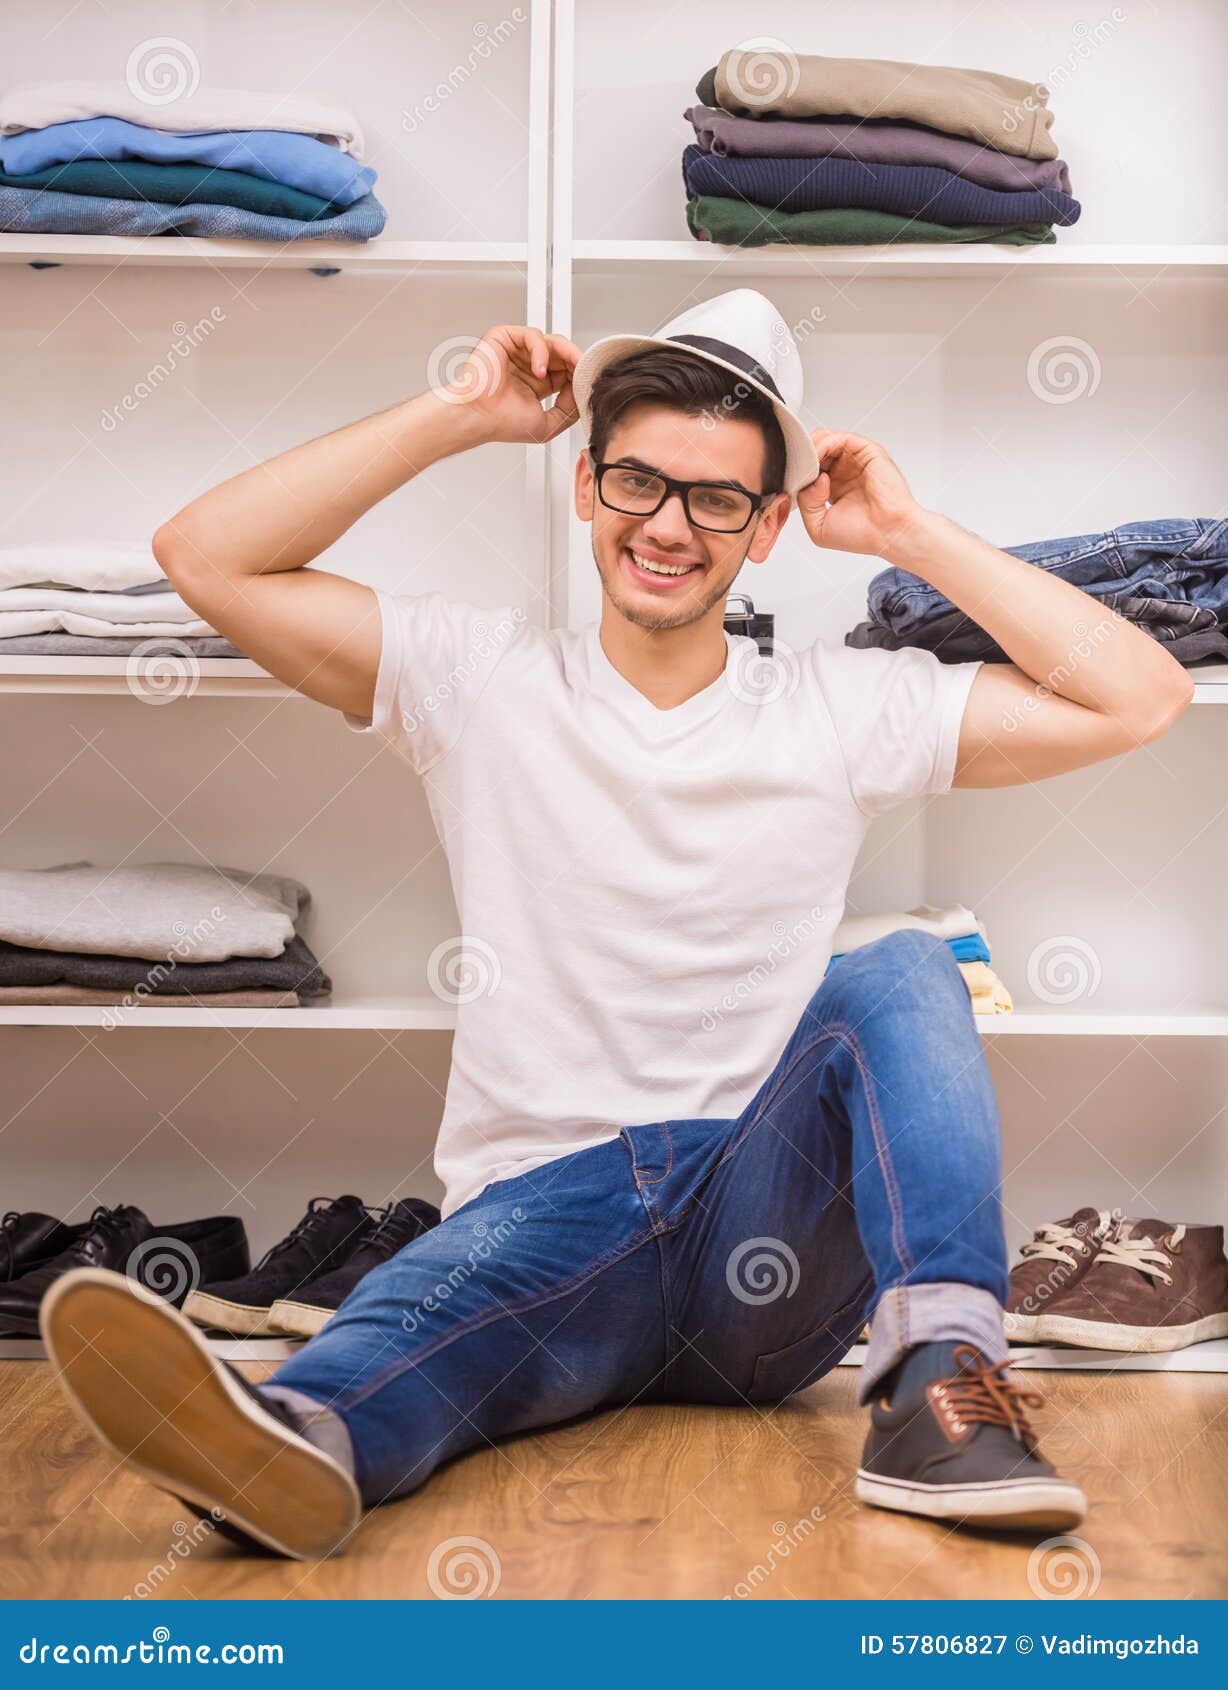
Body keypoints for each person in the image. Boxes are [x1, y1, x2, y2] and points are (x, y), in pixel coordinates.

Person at [40, 289, 1192, 1561]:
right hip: (548, 1218)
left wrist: (910, 531)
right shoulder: (472, 680)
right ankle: (294, 1442)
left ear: (762, 533)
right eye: (639, 480)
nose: (667, 525)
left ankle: (937, 1395)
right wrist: (460, 412)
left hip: (759, 1235)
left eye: (714, 499)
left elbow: (1137, 697)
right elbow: (204, 554)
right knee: (413, 1318)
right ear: (584, 487)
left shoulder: (841, 706)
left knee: (909, 970)